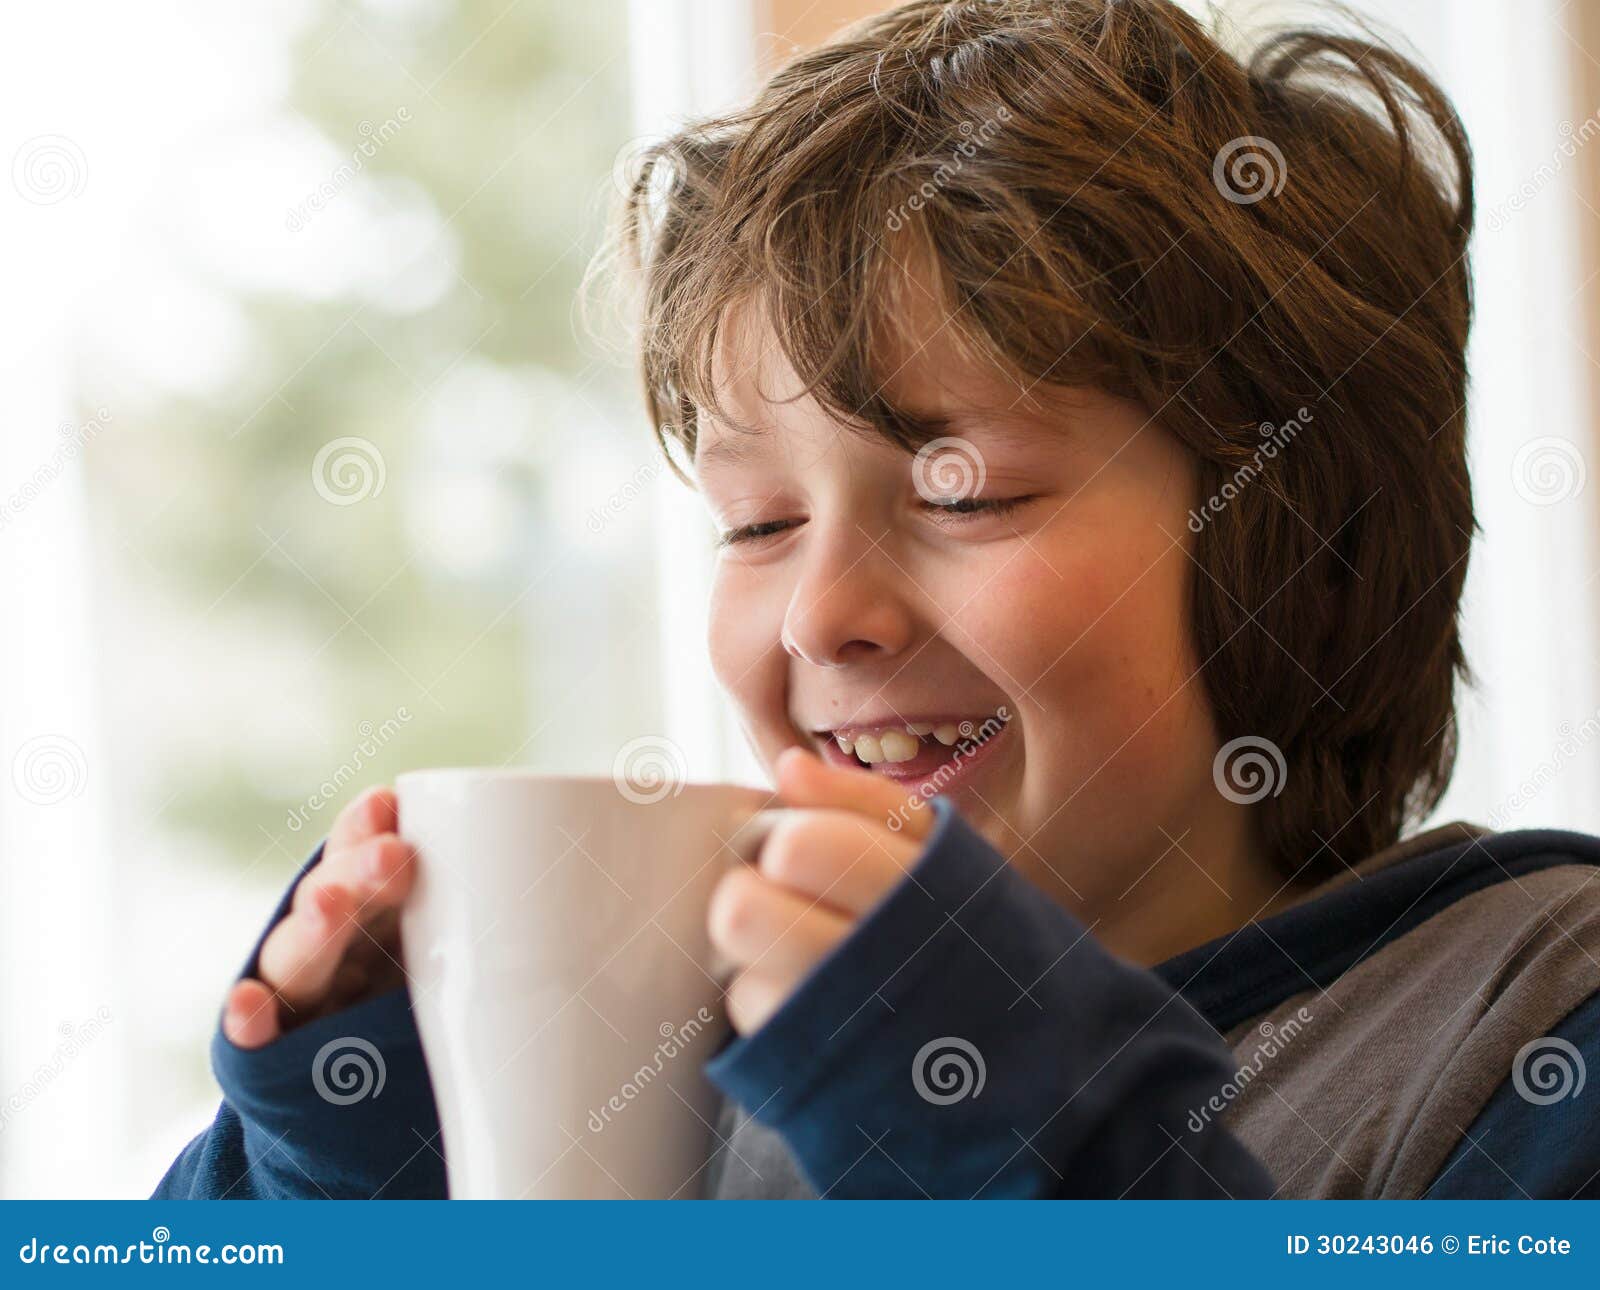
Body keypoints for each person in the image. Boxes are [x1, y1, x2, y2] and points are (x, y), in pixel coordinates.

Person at [156, 0, 1600, 1199]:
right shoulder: (675, 1079)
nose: (817, 613)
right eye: (759, 519)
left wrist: (1025, 1154)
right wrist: (356, 1163)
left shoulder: (1535, 1024)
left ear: (1300, 540)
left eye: (964, 492)